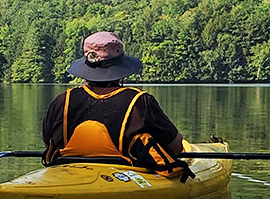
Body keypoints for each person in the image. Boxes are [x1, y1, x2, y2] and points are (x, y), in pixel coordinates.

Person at [42, 32, 192, 180]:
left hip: (68, 172)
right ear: (120, 68)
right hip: (123, 174)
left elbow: (46, 139)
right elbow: (176, 147)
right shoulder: (140, 101)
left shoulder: (63, 100)